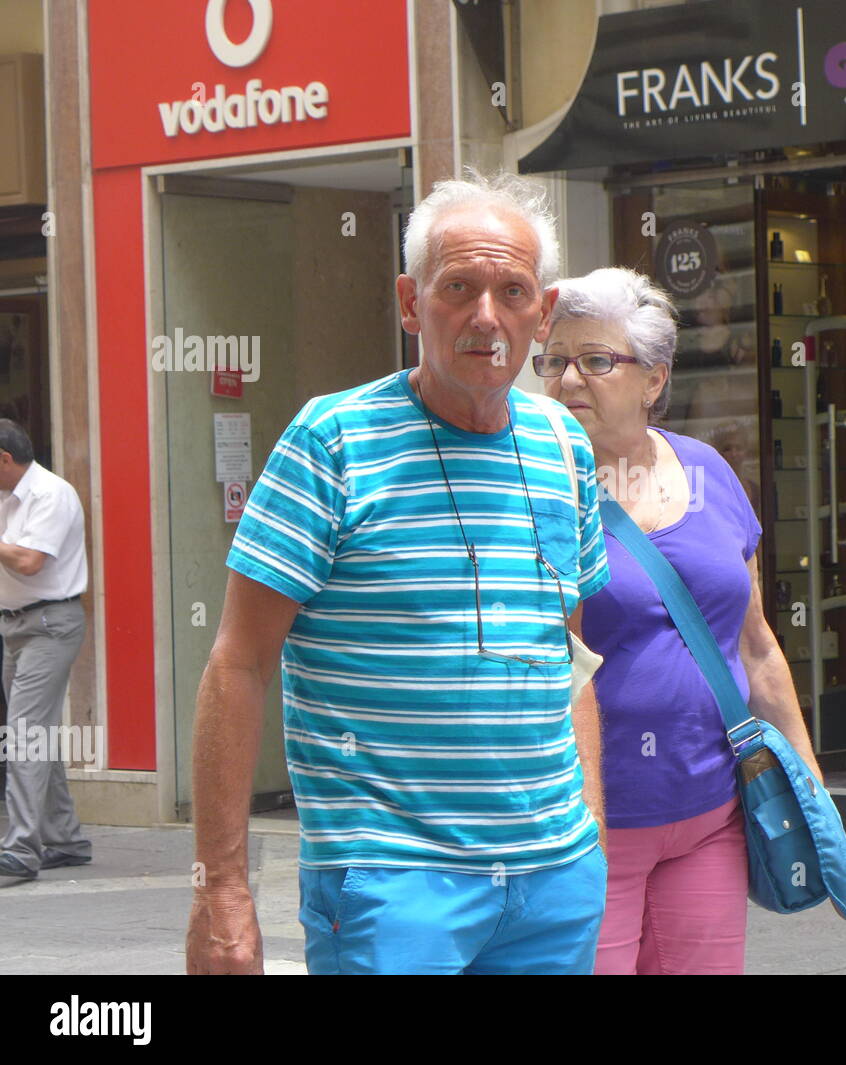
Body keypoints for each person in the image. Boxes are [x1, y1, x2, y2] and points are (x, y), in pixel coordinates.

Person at [185, 172, 611, 975]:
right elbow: (238, 663)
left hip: (553, 883)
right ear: (412, 304)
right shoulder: (332, 441)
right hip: (395, 881)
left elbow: (572, 658)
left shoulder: (563, 446)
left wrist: (588, 827)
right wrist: (221, 888)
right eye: (460, 287)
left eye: (512, 291)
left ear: (543, 313)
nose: (487, 316)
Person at [537, 267, 821, 975]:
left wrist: (809, 782)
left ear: (654, 380)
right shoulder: (531, 487)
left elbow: (757, 648)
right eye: (555, 361)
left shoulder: (710, 473)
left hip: (709, 817)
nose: (570, 380)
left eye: (597, 360)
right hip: (591, 825)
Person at [0, 419, 91, 881]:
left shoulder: (51, 495)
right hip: (15, 625)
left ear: (4, 459)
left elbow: (30, 563)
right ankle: (65, 839)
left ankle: (19, 850)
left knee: (23, 733)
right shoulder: (6, 500)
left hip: (50, 623)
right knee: (37, 732)